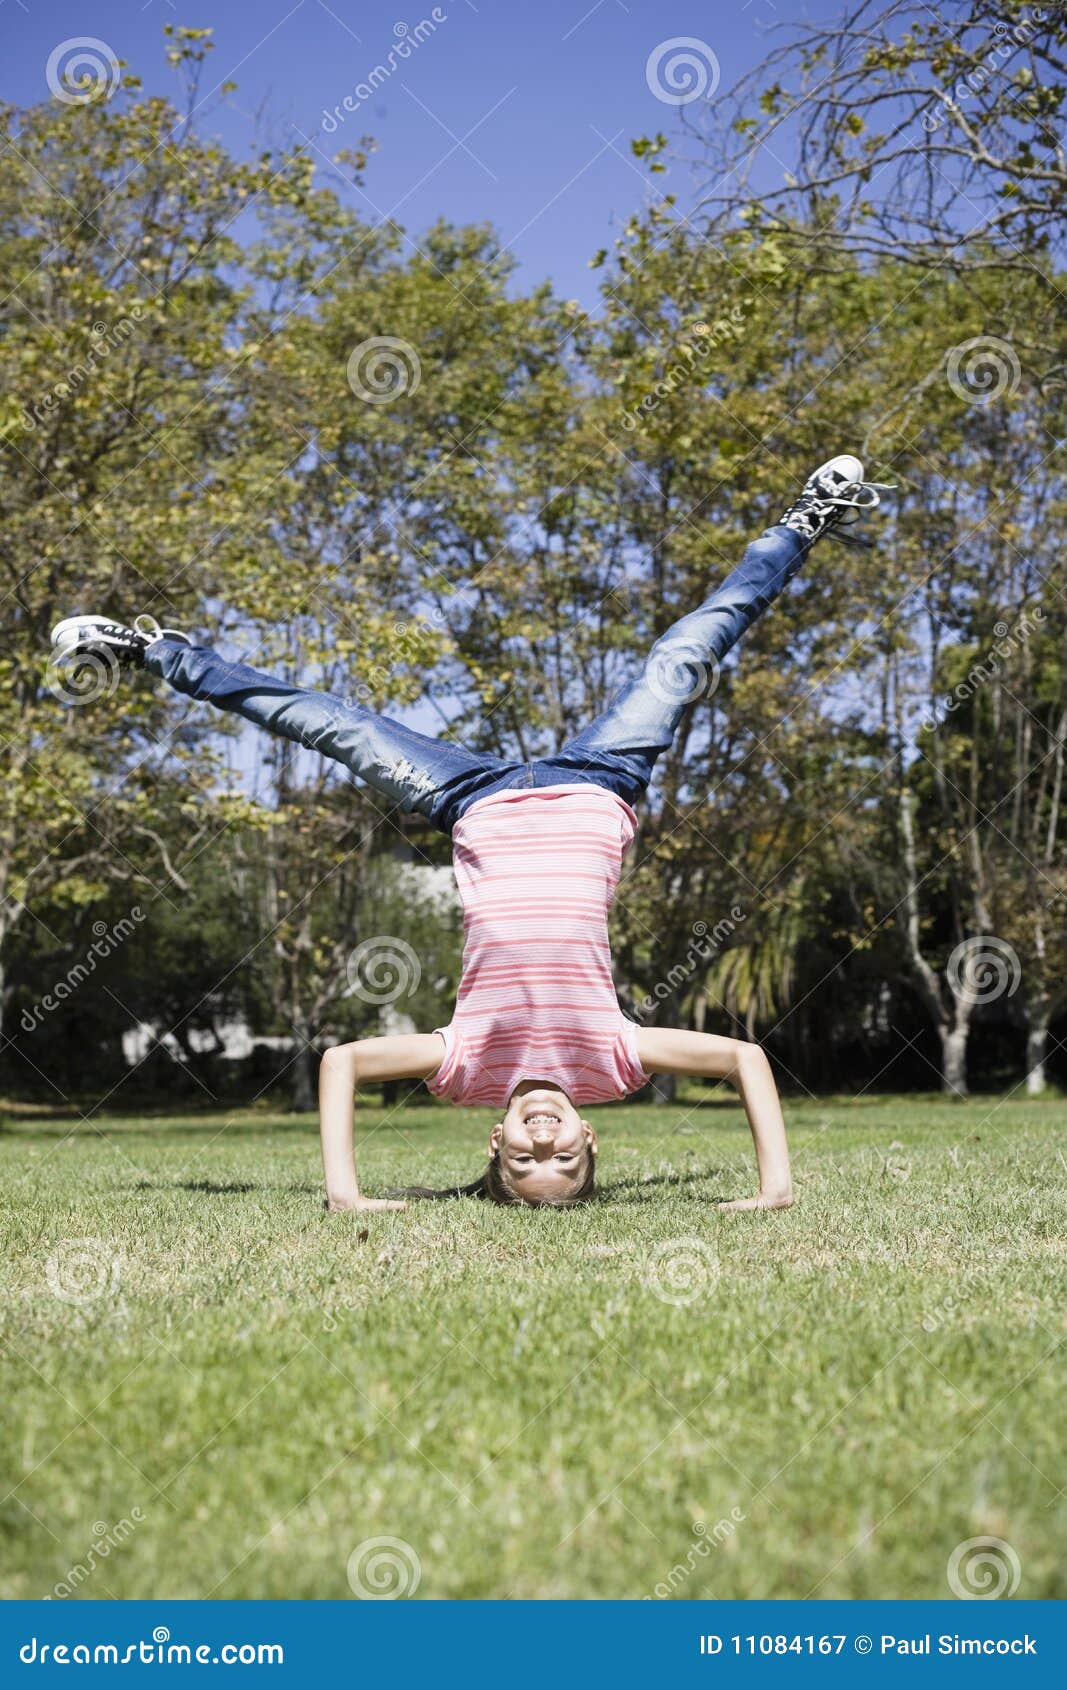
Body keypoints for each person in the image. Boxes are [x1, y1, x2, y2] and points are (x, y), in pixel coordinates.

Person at [50, 455, 884, 1212]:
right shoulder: (617, 1062)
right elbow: (744, 1062)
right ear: (591, 1140)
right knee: (692, 643)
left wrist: (347, 1195)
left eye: (524, 1166)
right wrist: (774, 1190)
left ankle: (152, 651)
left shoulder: (463, 1070)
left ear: (496, 1144)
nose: (544, 1146)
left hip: (471, 799)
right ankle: (808, 518)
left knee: (329, 723)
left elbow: (340, 1063)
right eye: (565, 1163)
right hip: (601, 783)